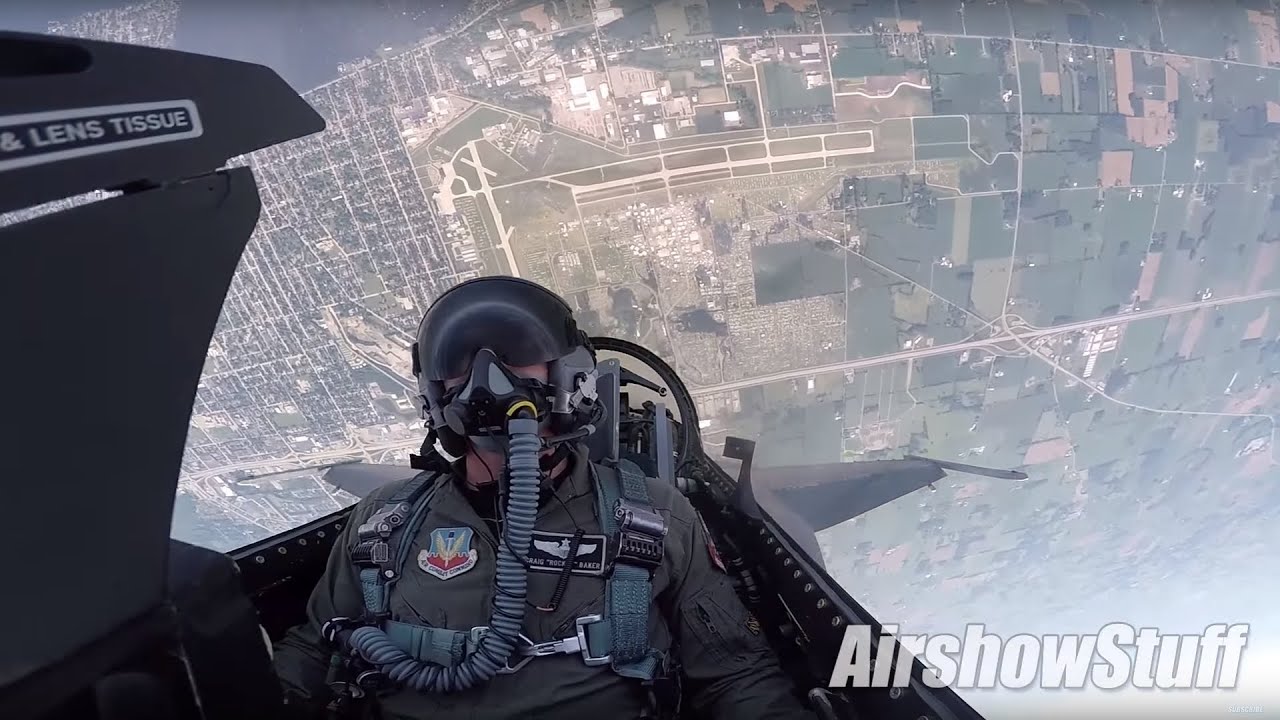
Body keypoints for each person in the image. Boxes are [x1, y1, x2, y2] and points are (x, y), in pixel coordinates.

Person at [272, 276, 817, 720]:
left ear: (570, 375)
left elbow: (735, 675)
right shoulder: (384, 520)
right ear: (436, 398)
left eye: (518, 353)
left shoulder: (652, 515)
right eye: (459, 364)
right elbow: (314, 647)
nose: (489, 379)